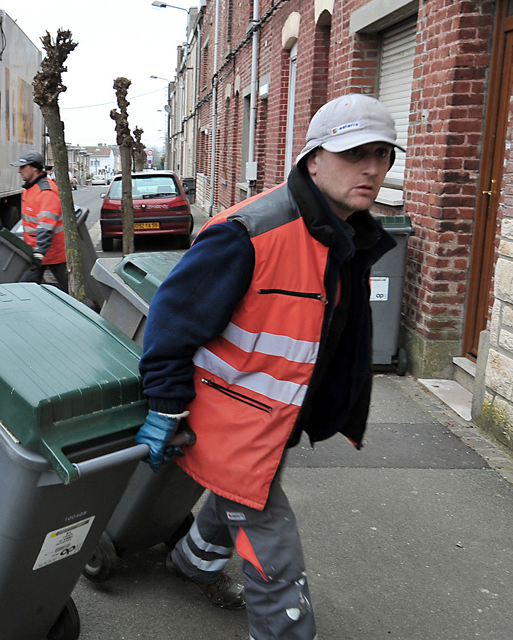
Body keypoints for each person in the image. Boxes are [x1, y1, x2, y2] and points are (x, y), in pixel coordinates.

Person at [135, 93, 402, 639]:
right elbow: (171, 320)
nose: (372, 169)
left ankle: (192, 564)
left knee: (243, 499)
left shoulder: (345, 232)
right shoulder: (251, 232)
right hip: (229, 418)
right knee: (273, 545)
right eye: (355, 154)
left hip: (275, 417)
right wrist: (164, 404)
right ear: (313, 159)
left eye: (382, 155)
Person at [11, 150, 67, 291]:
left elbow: (45, 225)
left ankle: (89, 308)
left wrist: (39, 252)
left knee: (71, 289)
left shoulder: (45, 192)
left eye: (23, 167)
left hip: (52, 253)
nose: (19, 171)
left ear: (34, 168)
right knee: (26, 288)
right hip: (38, 252)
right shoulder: (30, 189)